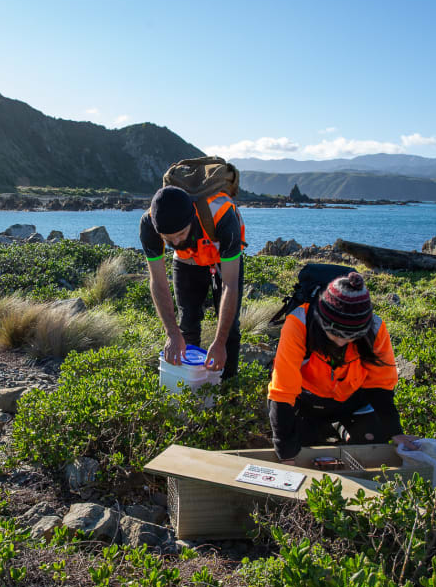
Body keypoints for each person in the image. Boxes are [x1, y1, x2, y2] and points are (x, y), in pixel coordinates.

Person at [266, 271, 418, 462]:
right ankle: (321, 426)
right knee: (299, 446)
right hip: (306, 401)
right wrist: (286, 453)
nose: (341, 342)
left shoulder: (376, 329)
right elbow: (282, 392)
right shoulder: (298, 324)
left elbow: (380, 387)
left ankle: (340, 425)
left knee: (372, 441)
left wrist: (396, 432)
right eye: (335, 333)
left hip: (352, 400)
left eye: (351, 336)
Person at [140, 185, 245, 379]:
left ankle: (229, 391)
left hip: (221, 262)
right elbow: (158, 282)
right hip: (185, 261)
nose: (177, 241)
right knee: (186, 326)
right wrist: (172, 333)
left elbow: (230, 285)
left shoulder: (222, 217)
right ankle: (188, 387)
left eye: (181, 234)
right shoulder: (149, 225)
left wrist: (220, 342)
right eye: (169, 239)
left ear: (193, 218)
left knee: (230, 332)